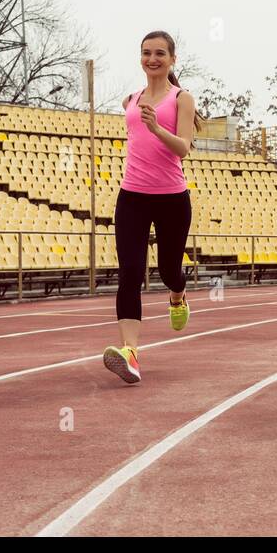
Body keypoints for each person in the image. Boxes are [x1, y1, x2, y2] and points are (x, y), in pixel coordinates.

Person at [102, 31, 202, 385]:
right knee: (130, 272)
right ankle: (130, 353)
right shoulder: (130, 99)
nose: (152, 59)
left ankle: (178, 293)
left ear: (172, 59)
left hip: (172, 198)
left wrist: (157, 127)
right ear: (140, 58)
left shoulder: (182, 99)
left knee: (168, 269)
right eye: (146, 53)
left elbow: (183, 148)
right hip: (132, 196)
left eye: (160, 53)